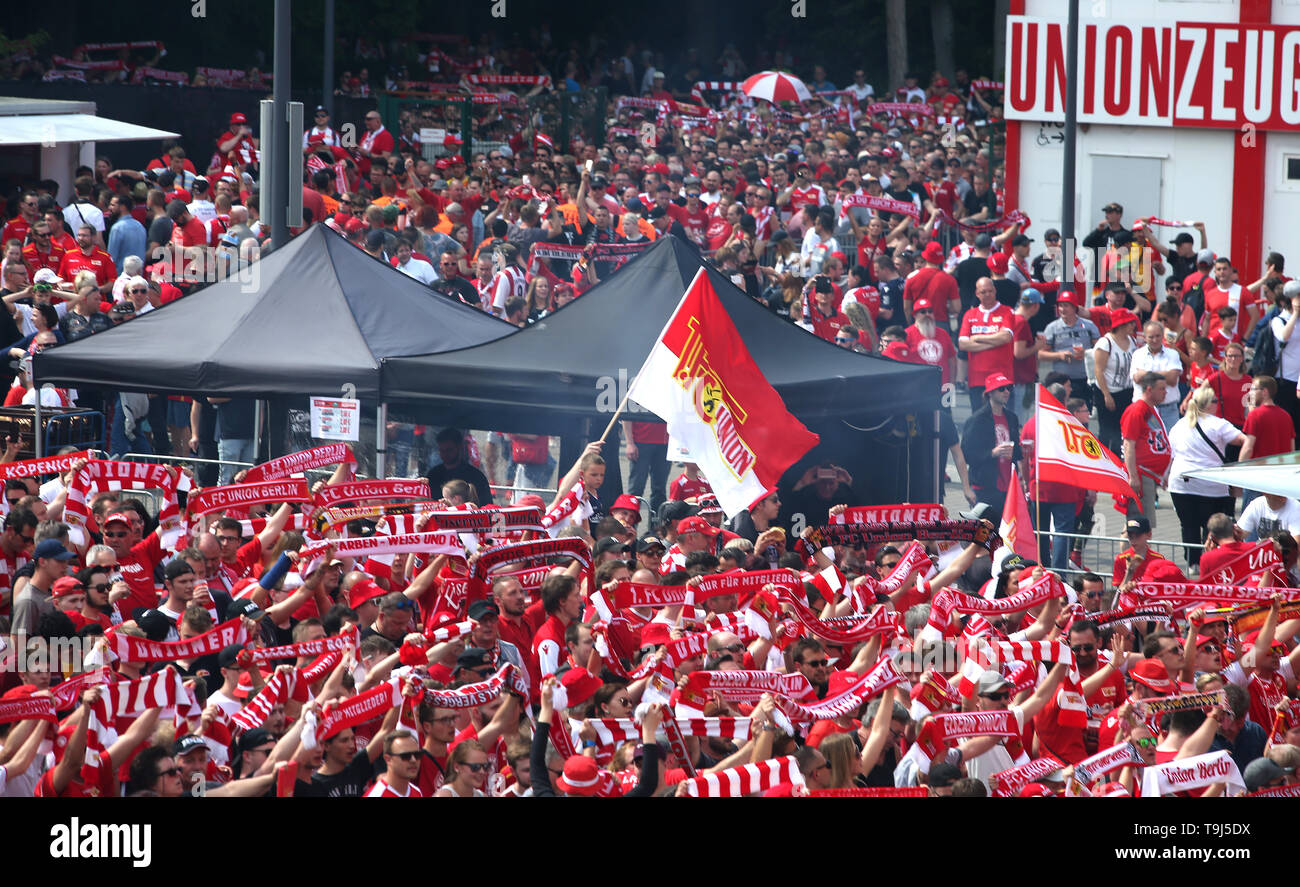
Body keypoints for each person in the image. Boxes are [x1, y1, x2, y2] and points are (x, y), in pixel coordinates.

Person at [1166, 385, 1246, 568]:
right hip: (1211, 485)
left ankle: (1193, 564)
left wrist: (1164, 476)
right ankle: (1212, 563)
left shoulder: (1179, 425)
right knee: (1212, 526)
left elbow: (1171, 453)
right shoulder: (1219, 424)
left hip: (1180, 482)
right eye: (1216, 401)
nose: (1218, 404)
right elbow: (1244, 440)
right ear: (1209, 404)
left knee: (1188, 525)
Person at [961, 372, 1021, 522]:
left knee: (1005, 533)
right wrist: (992, 453)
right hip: (986, 486)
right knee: (985, 534)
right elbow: (966, 454)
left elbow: (1018, 453)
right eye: (1001, 389)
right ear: (990, 393)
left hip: (1009, 485)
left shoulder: (1012, 418)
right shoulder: (977, 420)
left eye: (1008, 388)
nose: (1007, 392)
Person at [1120, 372, 1172, 526]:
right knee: (1139, 526)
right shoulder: (1137, 411)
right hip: (1141, 474)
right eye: (1161, 389)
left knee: (1139, 525)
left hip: (1150, 475)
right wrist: (1133, 476)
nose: (1165, 392)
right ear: (1149, 389)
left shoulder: (1152, 409)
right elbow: (1129, 444)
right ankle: (1133, 551)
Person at [958, 277, 1016, 412]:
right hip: (977, 380)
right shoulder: (969, 314)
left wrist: (977, 337)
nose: (988, 294)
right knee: (980, 421)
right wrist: (994, 342)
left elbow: (1006, 337)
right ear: (977, 294)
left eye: (990, 291)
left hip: (1002, 379)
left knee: (1003, 421)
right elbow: (963, 344)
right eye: (983, 292)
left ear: (995, 291)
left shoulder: (1007, 311)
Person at [1092, 306, 1139, 456]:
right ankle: (1103, 461)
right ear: (1121, 325)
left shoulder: (1132, 340)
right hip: (1109, 392)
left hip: (1127, 391)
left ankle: (1120, 460)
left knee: (1122, 431)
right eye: (1130, 323)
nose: (1133, 326)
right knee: (1106, 432)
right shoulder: (1105, 342)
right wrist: (1106, 395)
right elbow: (1098, 370)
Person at [1131, 321, 1183, 431]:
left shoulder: (1173, 354)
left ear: (1163, 335)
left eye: (1158, 336)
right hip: (1144, 409)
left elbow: (1172, 379)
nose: (1155, 340)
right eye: (1151, 337)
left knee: (1172, 444)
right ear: (1145, 337)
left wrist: (1146, 373)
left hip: (1168, 410)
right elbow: (1137, 379)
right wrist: (1164, 374)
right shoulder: (1138, 354)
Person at [425, 428, 493, 505]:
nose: (445, 454)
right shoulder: (433, 475)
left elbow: (487, 507)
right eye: (441, 450)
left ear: (459, 447)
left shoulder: (476, 476)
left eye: (449, 450)